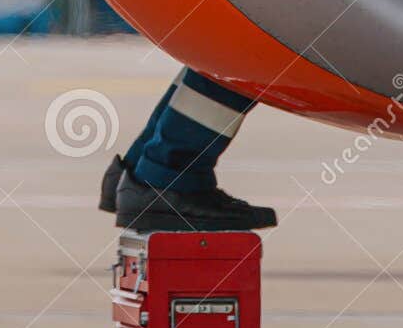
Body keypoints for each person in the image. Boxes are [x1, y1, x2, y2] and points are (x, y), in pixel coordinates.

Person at [99, 66, 277, 233]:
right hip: (168, 184)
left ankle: (146, 171)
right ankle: (170, 178)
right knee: (248, 52)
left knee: (221, 46)